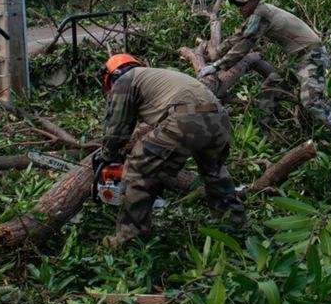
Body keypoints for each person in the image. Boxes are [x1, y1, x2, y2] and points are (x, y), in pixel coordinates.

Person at [95, 54, 244, 249]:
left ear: (111, 76)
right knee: (214, 172)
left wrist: (106, 156)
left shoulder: (124, 81)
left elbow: (116, 129)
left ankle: (129, 238)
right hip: (219, 117)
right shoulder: (156, 76)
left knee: (138, 170)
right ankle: (234, 225)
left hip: (186, 119)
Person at [199, 0, 331, 138]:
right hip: (296, 59)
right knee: (268, 91)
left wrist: (217, 66)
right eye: (236, 4)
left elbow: (244, 45)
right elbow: (239, 35)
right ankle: (265, 136)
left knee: (310, 101)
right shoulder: (257, 13)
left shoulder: (261, 14)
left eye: (242, 3)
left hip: (312, 56)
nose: (240, 8)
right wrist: (216, 52)